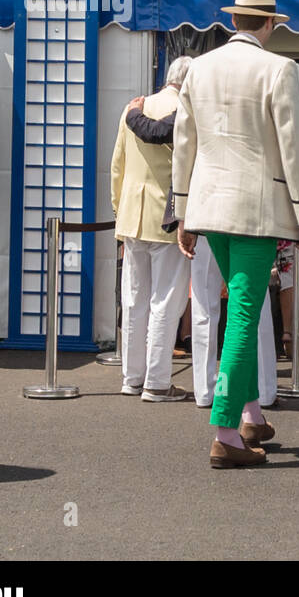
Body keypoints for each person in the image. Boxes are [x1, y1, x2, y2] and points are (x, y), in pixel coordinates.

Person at [172, 0, 299, 468]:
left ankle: (250, 414)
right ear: (270, 24)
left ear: (235, 18)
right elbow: (294, 149)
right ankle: (226, 431)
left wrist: (182, 209)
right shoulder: (279, 69)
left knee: (238, 310)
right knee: (243, 315)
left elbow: (184, 142)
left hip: (211, 207)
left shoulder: (198, 68)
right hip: (258, 210)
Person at [123, 93, 281, 411]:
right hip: (249, 216)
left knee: (205, 309)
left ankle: (207, 390)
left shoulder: (193, 111)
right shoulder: (258, 115)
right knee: (254, 306)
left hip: (205, 213)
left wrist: (133, 114)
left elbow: (168, 147)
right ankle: (263, 390)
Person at [111, 57, 193, 402]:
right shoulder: (187, 112)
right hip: (167, 217)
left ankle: (132, 377)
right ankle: (157, 381)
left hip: (132, 215)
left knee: (134, 301)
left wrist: (119, 212)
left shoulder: (134, 107)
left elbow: (117, 166)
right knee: (165, 301)